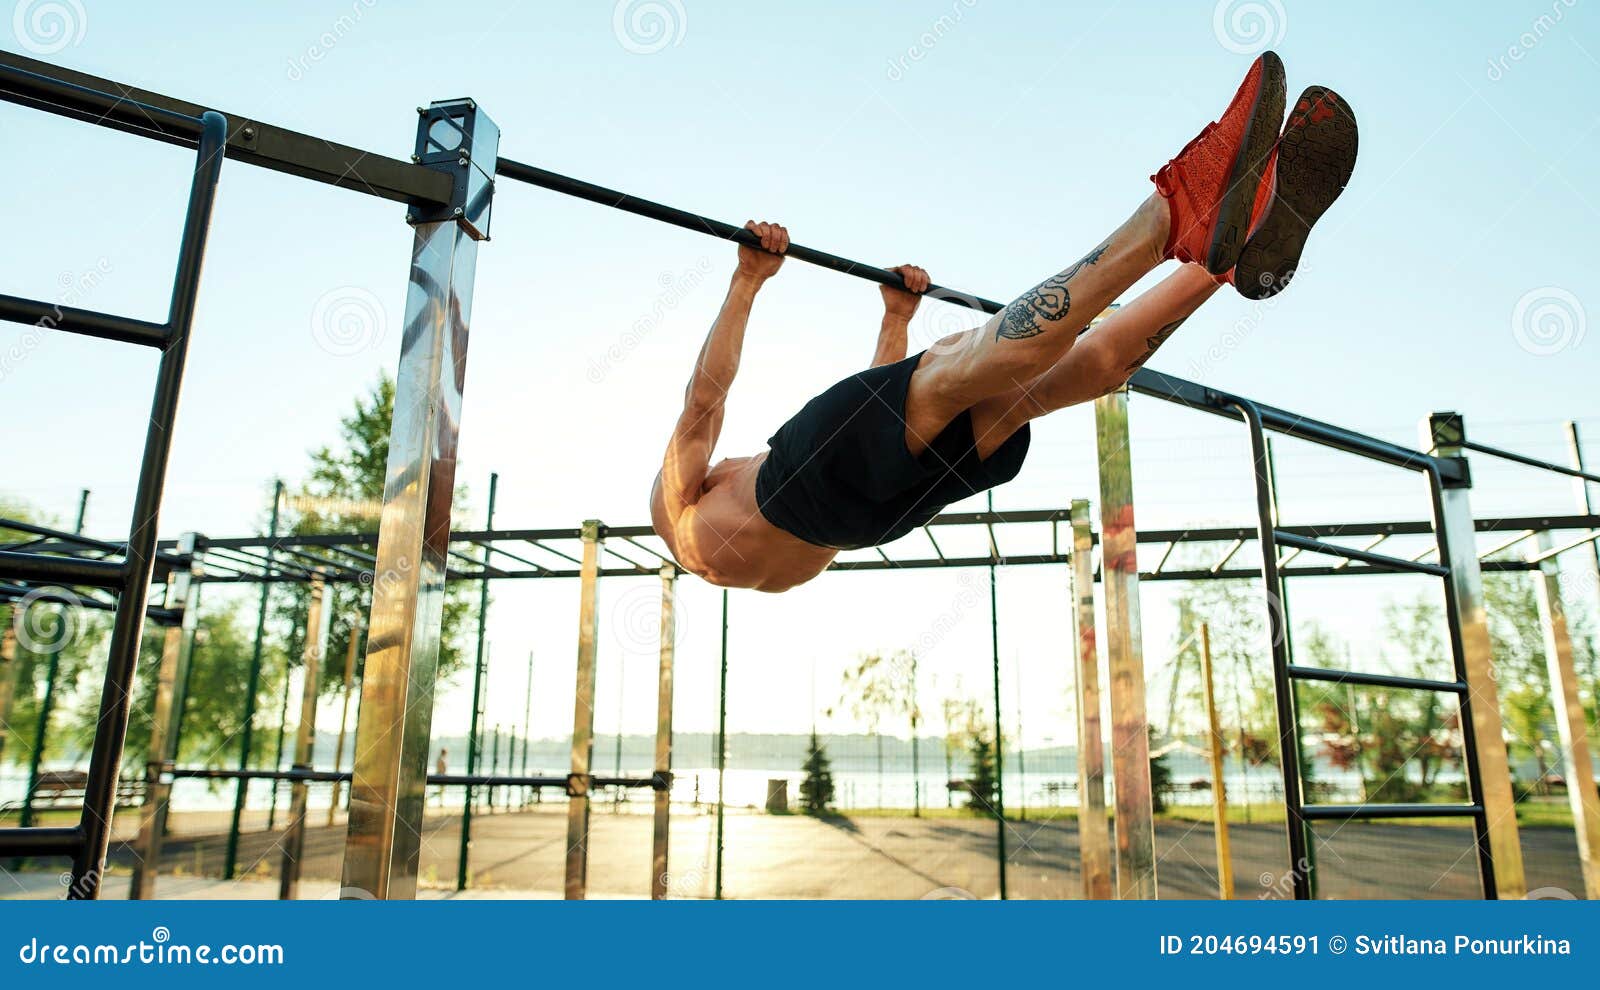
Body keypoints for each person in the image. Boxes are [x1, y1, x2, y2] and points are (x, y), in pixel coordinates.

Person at [650, 53, 1356, 592]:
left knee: (1048, 384)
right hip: (803, 489)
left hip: (874, 523)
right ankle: (1177, 214)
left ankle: (1221, 262)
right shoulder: (677, 516)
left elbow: (879, 421)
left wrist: (896, 319)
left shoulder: (752, 569)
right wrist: (746, 280)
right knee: (963, 360)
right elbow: (703, 399)